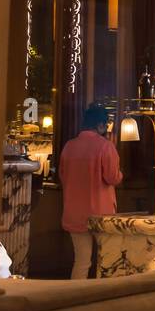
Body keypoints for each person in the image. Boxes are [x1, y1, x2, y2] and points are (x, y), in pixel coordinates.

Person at [59, 103, 123, 280]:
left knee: (81, 261)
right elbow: (112, 177)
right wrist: (120, 175)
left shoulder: (69, 146)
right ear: (101, 125)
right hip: (100, 215)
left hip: (74, 212)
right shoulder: (105, 146)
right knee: (106, 260)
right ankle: (102, 299)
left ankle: (75, 300)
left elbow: (63, 177)